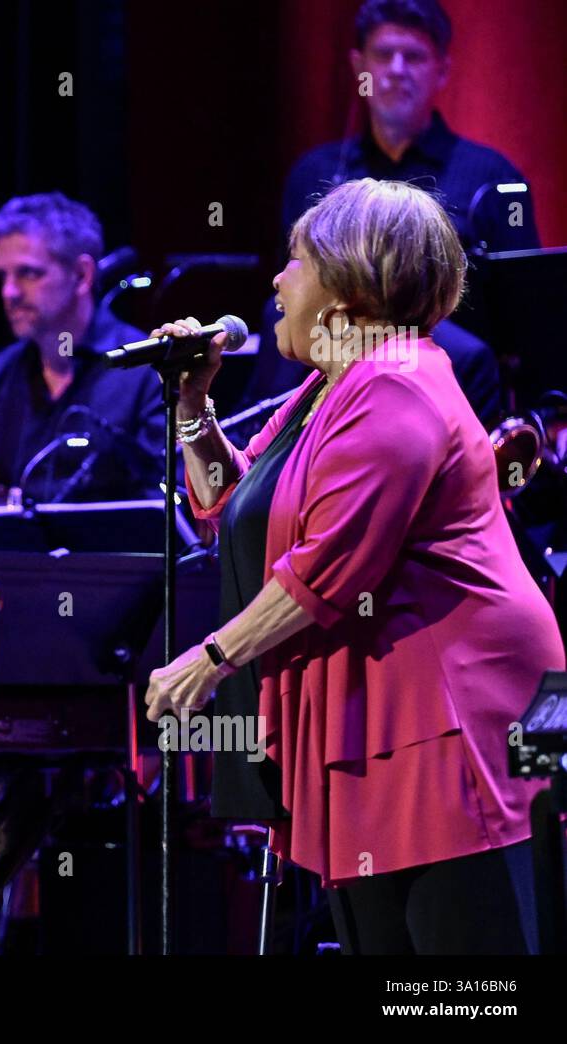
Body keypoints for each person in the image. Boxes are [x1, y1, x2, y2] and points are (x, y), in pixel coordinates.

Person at [145, 178, 563, 955]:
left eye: (294, 261)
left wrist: (207, 661)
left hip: (454, 717)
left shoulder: (396, 384)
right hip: (382, 716)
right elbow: (233, 509)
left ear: (346, 289)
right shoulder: (331, 387)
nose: (275, 282)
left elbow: (330, 567)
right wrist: (192, 405)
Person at [249, 0, 538, 425]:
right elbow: (288, 293)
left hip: (448, 391)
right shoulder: (314, 173)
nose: (397, 69)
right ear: (358, 66)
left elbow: (526, 310)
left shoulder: (493, 176)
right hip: (324, 387)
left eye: (415, 56)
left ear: (441, 69)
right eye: (384, 55)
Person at [0, 192, 163, 505]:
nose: (9, 292)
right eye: (4, 275)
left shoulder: (149, 373)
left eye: (29, 273)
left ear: (82, 275)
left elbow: (165, 508)